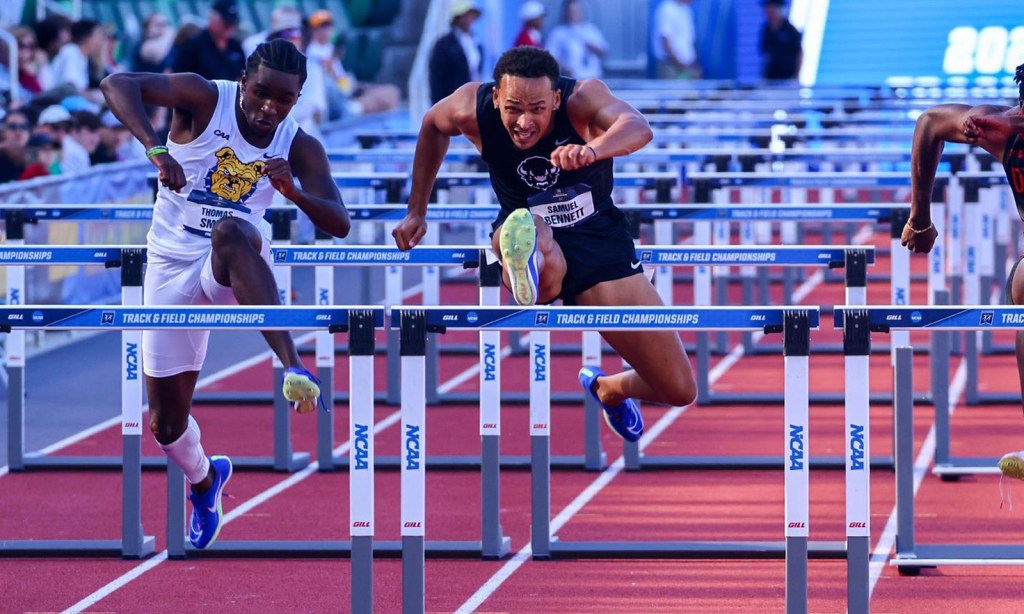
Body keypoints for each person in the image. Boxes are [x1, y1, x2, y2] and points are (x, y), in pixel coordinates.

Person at [100, 38, 351, 549]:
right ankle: (206, 480)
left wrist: (295, 193)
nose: (269, 108)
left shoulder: (299, 145)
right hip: (169, 266)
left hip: (233, 264)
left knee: (232, 232)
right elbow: (116, 83)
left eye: (283, 99)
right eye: (261, 93)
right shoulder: (203, 98)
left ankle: (293, 365)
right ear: (243, 83)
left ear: (296, 100)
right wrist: (155, 148)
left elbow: (340, 222)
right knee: (166, 425)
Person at [392, 46, 697, 441]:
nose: (523, 122)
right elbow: (433, 124)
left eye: (537, 108)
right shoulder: (473, 105)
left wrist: (591, 149)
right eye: (513, 107)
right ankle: (528, 252)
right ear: (496, 97)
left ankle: (609, 389)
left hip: (597, 237)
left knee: (678, 389)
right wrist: (417, 210)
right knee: (537, 259)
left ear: (555, 99)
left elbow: (637, 125)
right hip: (525, 233)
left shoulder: (582, 98)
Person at [902, 63, 1024, 481]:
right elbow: (930, 122)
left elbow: (930, 122)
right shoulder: (1001, 128)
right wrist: (919, 217)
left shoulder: (1003, 126)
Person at [171, 0, 246, 81]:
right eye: (226, 23)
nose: (230, 27)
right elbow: (176, 77)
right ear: (212, 18)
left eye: (233, 22)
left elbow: (242, 77)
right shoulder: (192, 46)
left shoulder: (236, 47)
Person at [428, 0, 484, 104]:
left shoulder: (475, 42)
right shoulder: (444, 45)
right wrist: (439, 107)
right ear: (458, 18)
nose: (469, 20)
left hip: (473, 100)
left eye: (471, 16)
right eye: (466, 16)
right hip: (453, 102)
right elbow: (436, 80)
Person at [545, 0, 607, 80]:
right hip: (573, 80)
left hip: (594, 78)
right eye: (571, 11)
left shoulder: (591, 30)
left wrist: (594, 48)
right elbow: (550, 57)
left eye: (577, 10)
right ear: (565, 12)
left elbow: (604, 52)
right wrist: (564, 69)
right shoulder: (558, 33)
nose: (574, 14)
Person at [651, 0, 700, 80]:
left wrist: (694, 66)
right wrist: (679, 63)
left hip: (686, 66)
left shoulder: (686, 10)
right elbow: (665, 40)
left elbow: (689, 41)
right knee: (672, 92)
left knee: (688, 92)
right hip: (671, 67)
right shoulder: (667, 9)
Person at [760, 0, 802, 81]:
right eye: (767, 8)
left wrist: (796, 76)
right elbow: (765, 55)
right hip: (770, 79)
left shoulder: (790, 30)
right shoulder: (766, 30)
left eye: (770, 8)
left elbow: (799, 54)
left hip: (788, 79)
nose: (767, 11)